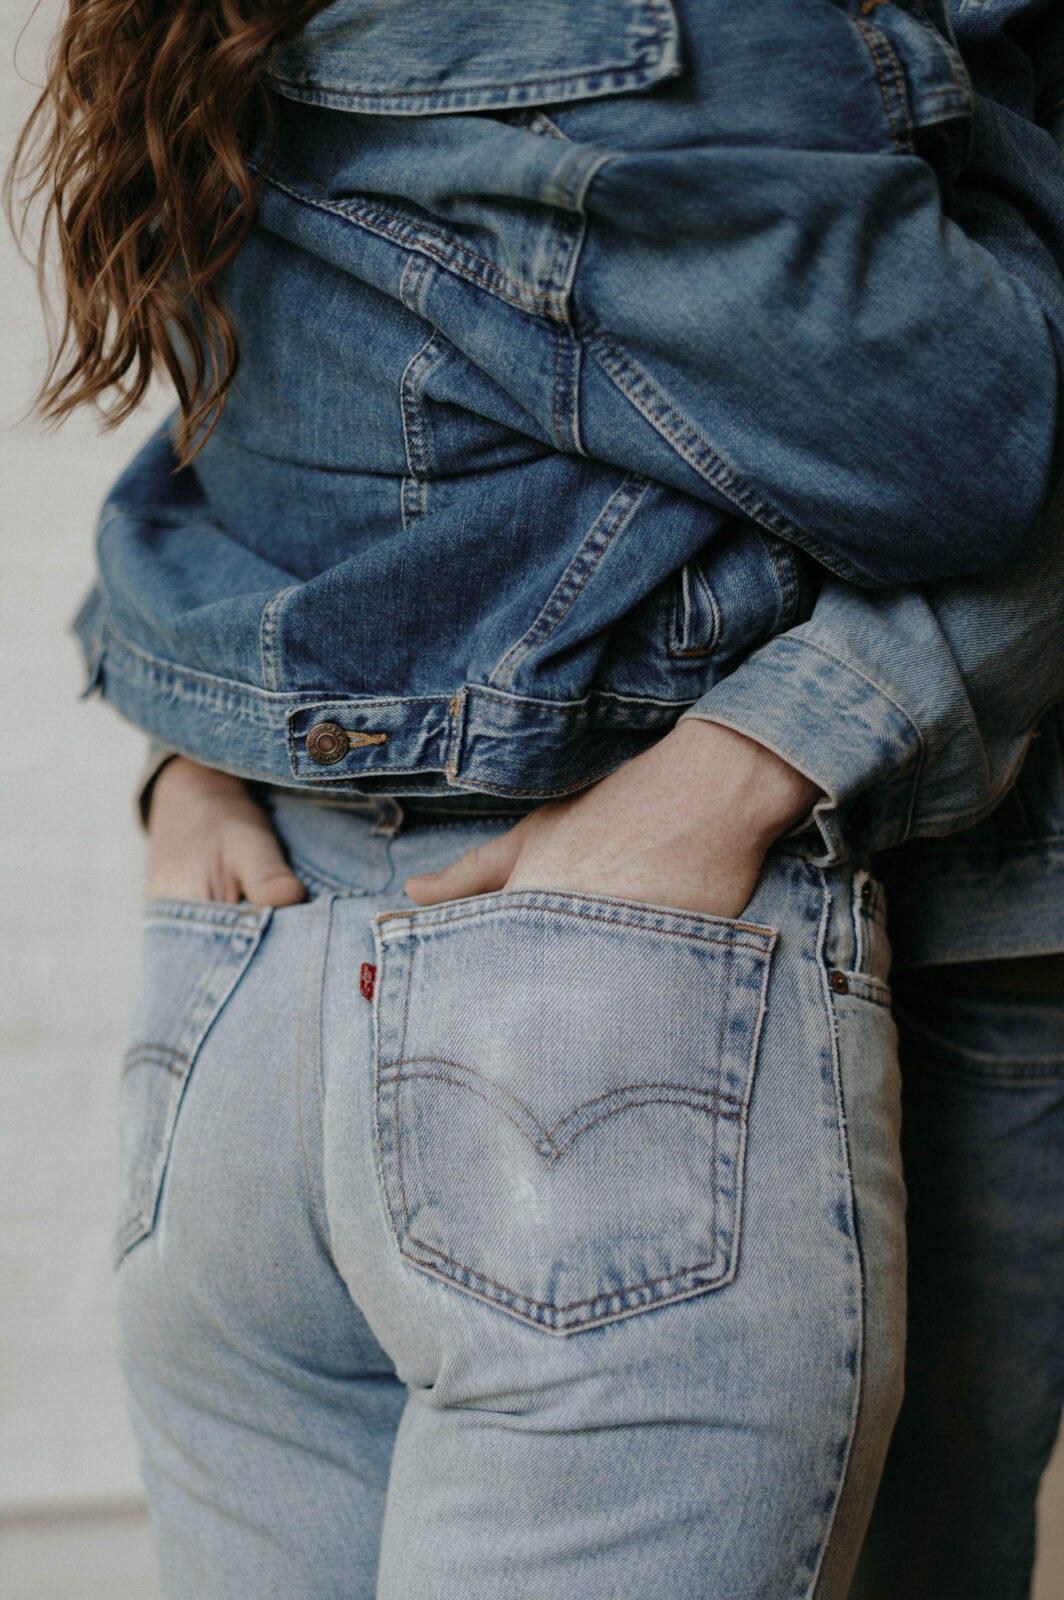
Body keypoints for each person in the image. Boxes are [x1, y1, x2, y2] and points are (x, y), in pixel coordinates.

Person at [10, 0, 1064, 1594]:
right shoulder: (683, 36)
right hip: (627, 1010)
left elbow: (296, 420)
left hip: (254, 1014)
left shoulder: (209, 26)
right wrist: (743, 770)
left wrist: (195, 742)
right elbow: (981, 445)